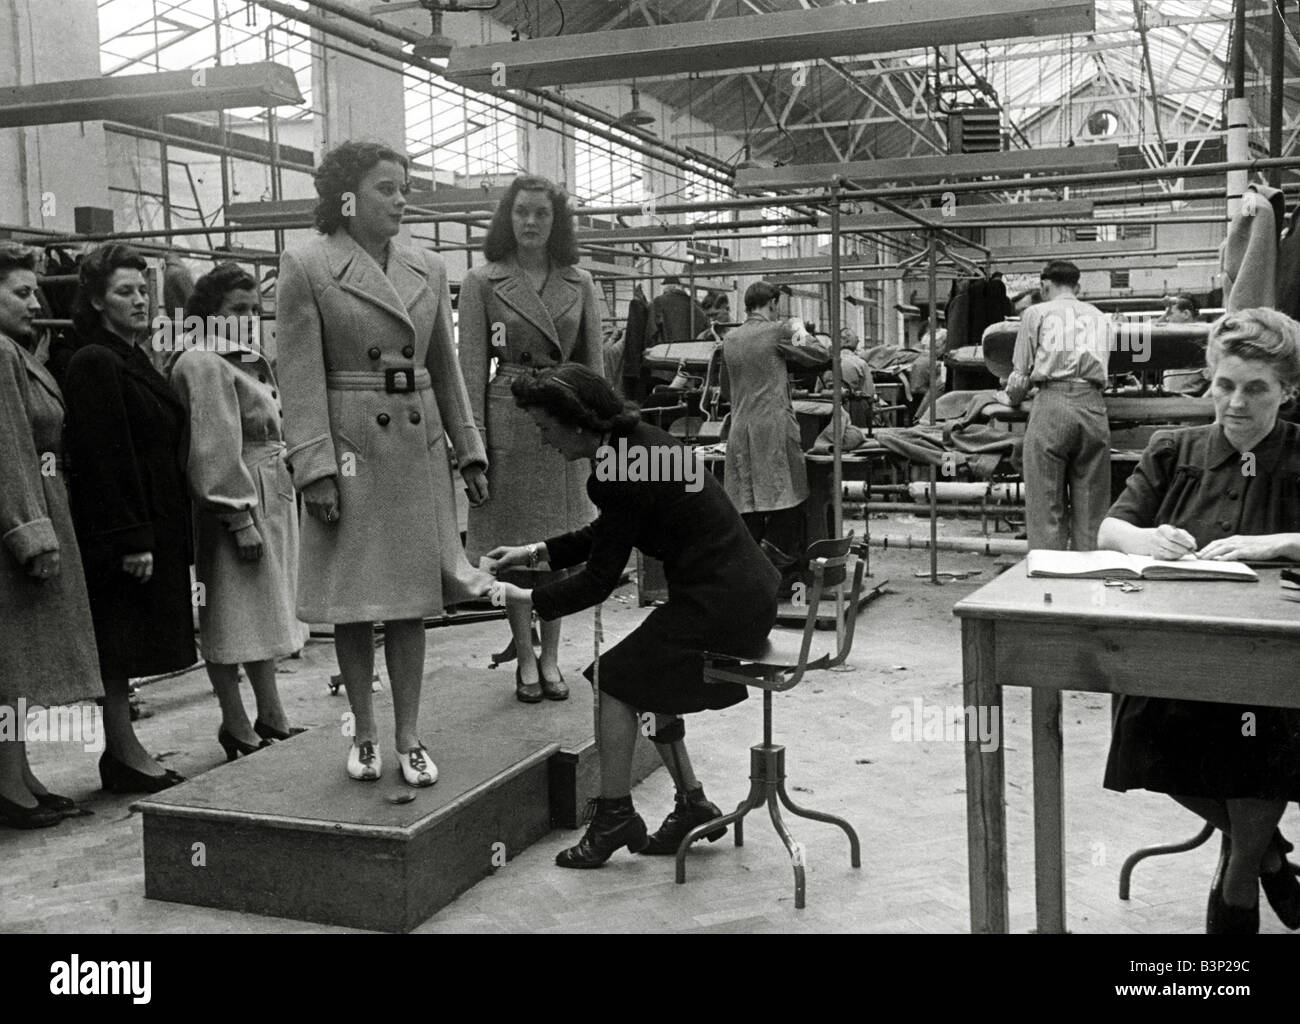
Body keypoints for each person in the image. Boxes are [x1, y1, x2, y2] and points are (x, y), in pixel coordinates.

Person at [483, 364, 780, 868]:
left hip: (719, 605)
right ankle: (690, 802)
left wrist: (525, 601)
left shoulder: (618, 471)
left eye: (544, 427)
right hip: (744, 593)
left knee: (614, 678)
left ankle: (614, 815)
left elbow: (600, 579)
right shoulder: (640, 444)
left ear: (576, 422)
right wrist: (534, 552)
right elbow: (609, 534)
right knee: (645, 669)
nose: (542, 440)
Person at [276, 140, 492, 787]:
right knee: (354, 599)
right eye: (385, 188)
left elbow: (445, 370)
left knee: (409, 601)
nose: (401, 199)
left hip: (414, 447)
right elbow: (298, 375)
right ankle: (364, 734)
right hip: (350, 448)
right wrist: (313, 466)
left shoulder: (427, 265)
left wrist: (469, 448)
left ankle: (410, 735)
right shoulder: (307, 263)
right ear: (346, 197)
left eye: (404, 187)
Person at [1101, 308, 1300, 934]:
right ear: (1209, 380)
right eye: (1225, 385)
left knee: (1262, 738)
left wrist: (1275, 543)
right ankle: (1265, 853)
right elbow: (1111, 528)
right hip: (1177, 652)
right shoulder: (1174, 449)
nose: (1236, 403)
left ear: (1288, 391)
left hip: (1277, 657)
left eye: (1257, 388)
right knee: (1139, 737)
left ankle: (1237, 885)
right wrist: (1143, 541)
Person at [459, 175, 605, 704]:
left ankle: (551, 657)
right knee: (514, 551)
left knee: (561, 549)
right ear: (507, 217)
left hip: (564, 417)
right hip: (508, 417)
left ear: (556, 221)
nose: (530, 222)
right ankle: (524, 654)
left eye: (541, 213)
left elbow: (594, 368)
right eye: (521, 212)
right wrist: (471, 450)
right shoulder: (482, 281)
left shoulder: (581, 282)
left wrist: (600, 434)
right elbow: (468, 370)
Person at [62, 244, 193, 793]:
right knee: (119, 643)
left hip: (152, 522)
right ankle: (120, 752)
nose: (140, 300)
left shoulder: (133, 357)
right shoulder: (95, 361)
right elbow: (105, 456)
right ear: (96, 300)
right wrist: (132, 538)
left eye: (144, 290)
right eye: (124, 292)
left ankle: (123, 751)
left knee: (134, 641)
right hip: (122, 532)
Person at [170, 263, 307, 761]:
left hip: (269, 492)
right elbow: (211, 449)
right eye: (236, 310)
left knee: (263, 612)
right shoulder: (204, 362)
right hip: (237, 501)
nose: (248, 318)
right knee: (229, 615)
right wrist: (237, 517)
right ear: (209, 312)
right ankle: (234, 722)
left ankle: (272, 713)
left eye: (254, 310)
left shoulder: (244, 357)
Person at [0, 242, 103, 826]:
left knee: (21, 663)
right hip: (20, 515)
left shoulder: (16, 351)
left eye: (34, 290)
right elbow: (10, 448)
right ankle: (8, 785)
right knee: (12, 662)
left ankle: (19, 775)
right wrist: (31, 534)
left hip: (37, 503)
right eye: (20, 292)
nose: (35, 302)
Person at [1007, 260, 1111, 551]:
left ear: (1044, 286)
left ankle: (1049, 579)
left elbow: (1019, 378)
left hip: (1051, 403)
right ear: (1078, 287)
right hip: (1093, 405)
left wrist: (1012, 398)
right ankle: (1088, 579)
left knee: (1046, 501)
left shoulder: (1035, 313)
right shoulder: (1101, 317)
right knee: (1092, 507)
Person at [723, 281, 829, 557]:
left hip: (739, 428)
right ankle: (775, 559)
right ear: (772, 303)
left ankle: (750, 570)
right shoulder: (780, 329)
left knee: (748, 503)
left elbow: (726, 388)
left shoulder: (730, 339)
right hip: (772, 427)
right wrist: (797, 325)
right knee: (788, 497)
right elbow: (819, 353)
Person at [1158, 294, 1208, 397]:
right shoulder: (1173, 340)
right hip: (1170, 400)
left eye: (1170, 313)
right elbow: (1151, 329)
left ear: (1185, 314)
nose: (1167, 318)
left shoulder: (1203, 341)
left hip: (1191, 402)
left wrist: (1200, 403)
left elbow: (1217, 380)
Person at [651, 275, 708, 347]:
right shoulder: (694, 303)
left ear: (668, 287)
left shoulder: (659, 302)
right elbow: (705, 327)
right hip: (692, 349)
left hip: (666, 350)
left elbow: (651, 330)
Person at [821, 326, 874, 397]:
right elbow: (869, 393)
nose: (858, 341)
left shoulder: (825, 363)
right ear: (847, 341)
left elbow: (818, 389)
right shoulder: (861, 364)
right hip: (852, 405)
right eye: (857, 338)